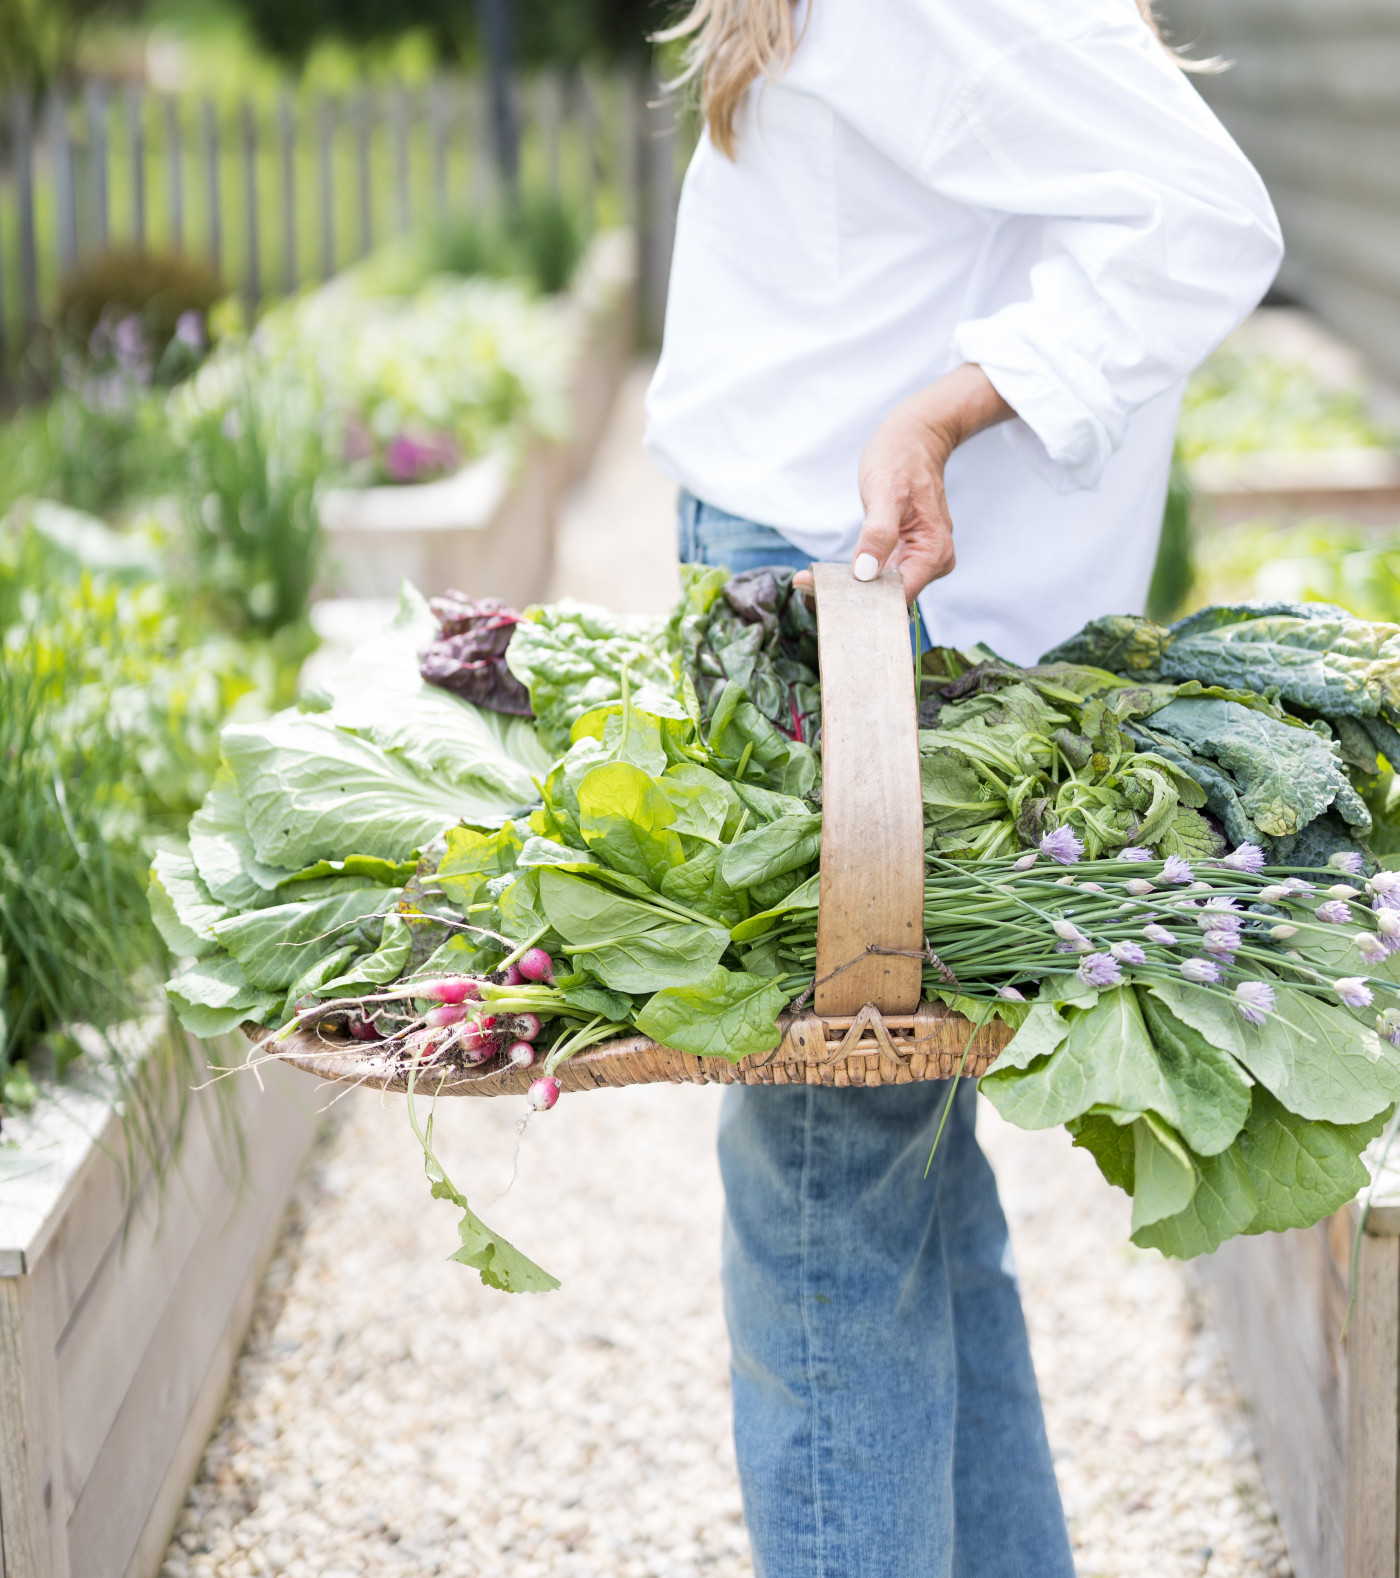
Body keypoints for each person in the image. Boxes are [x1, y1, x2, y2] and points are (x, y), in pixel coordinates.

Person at [642, 0, 1282, 1573]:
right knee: (900, 1194)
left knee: (821, 1207)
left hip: (839, 605)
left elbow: (1207, 219)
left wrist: (941, 407)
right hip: (822, 587)